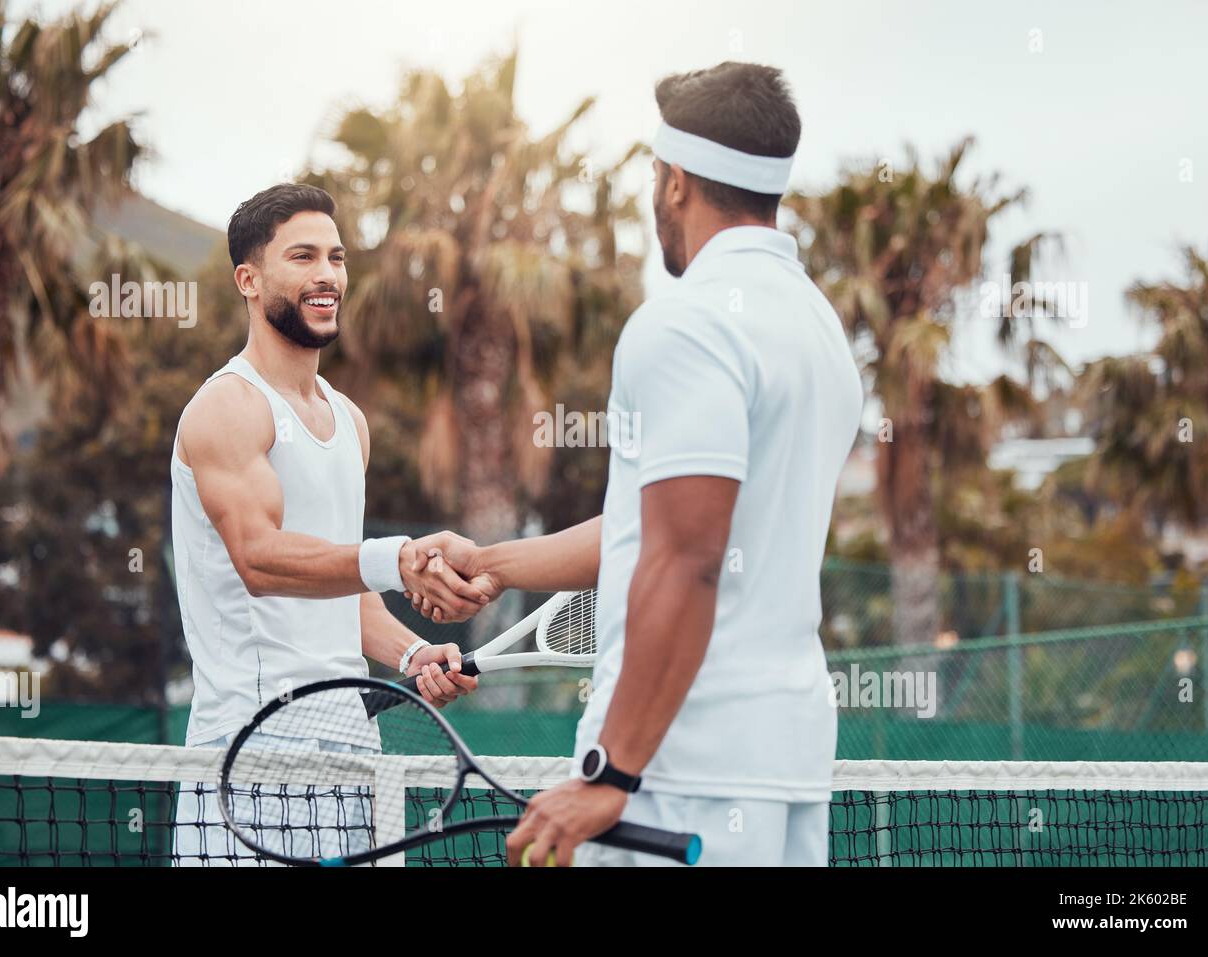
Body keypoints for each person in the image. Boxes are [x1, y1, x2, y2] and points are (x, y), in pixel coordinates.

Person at [407, 62, 864, 866]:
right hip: (782, 762)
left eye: (654, 176)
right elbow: (663, 522)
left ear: (676, 182)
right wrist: (495, 561)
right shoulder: (819, 331)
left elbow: (687, 557)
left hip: (676, 767)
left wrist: (612, 768)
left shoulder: (683, 326)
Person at [170, 184, 487, 862]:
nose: (327, 276)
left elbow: (342, 586)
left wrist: (410, 652)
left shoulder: (350, 421)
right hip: (252, 754)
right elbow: (260, 559)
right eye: (303, 256)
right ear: (248, 280)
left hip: (355, 756)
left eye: (336, 258)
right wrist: (392, 557)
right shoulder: (226, 407)